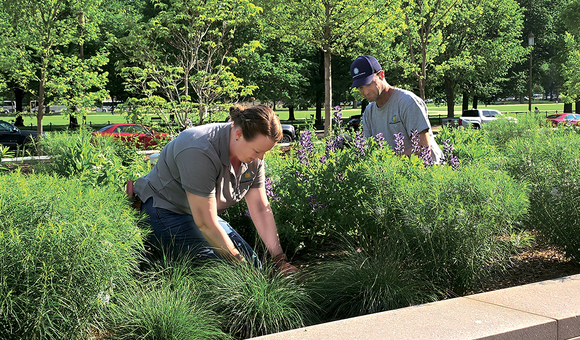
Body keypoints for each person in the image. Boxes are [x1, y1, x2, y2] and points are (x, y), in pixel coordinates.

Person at [133, 104, 298, 274]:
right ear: (239, 135)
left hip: (200, 215)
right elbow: (206, 223)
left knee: (255, 267)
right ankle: (156, 265)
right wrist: (239, 264)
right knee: (229, 271)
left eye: (265, 152)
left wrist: (280, 259)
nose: (261, 158)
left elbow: (260, 209)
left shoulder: (252, 156)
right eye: (257, 151)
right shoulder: (199, 149)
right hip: (164, 210)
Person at [350, 55, 443, 163]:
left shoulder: (407, 102)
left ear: (381, 75)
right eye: (361, 87)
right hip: (393, 175)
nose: (365, 92)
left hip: (426, 173)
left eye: (369, 84)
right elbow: (369, 150)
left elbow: (423, 147)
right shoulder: (368, 113)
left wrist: (391, 164)